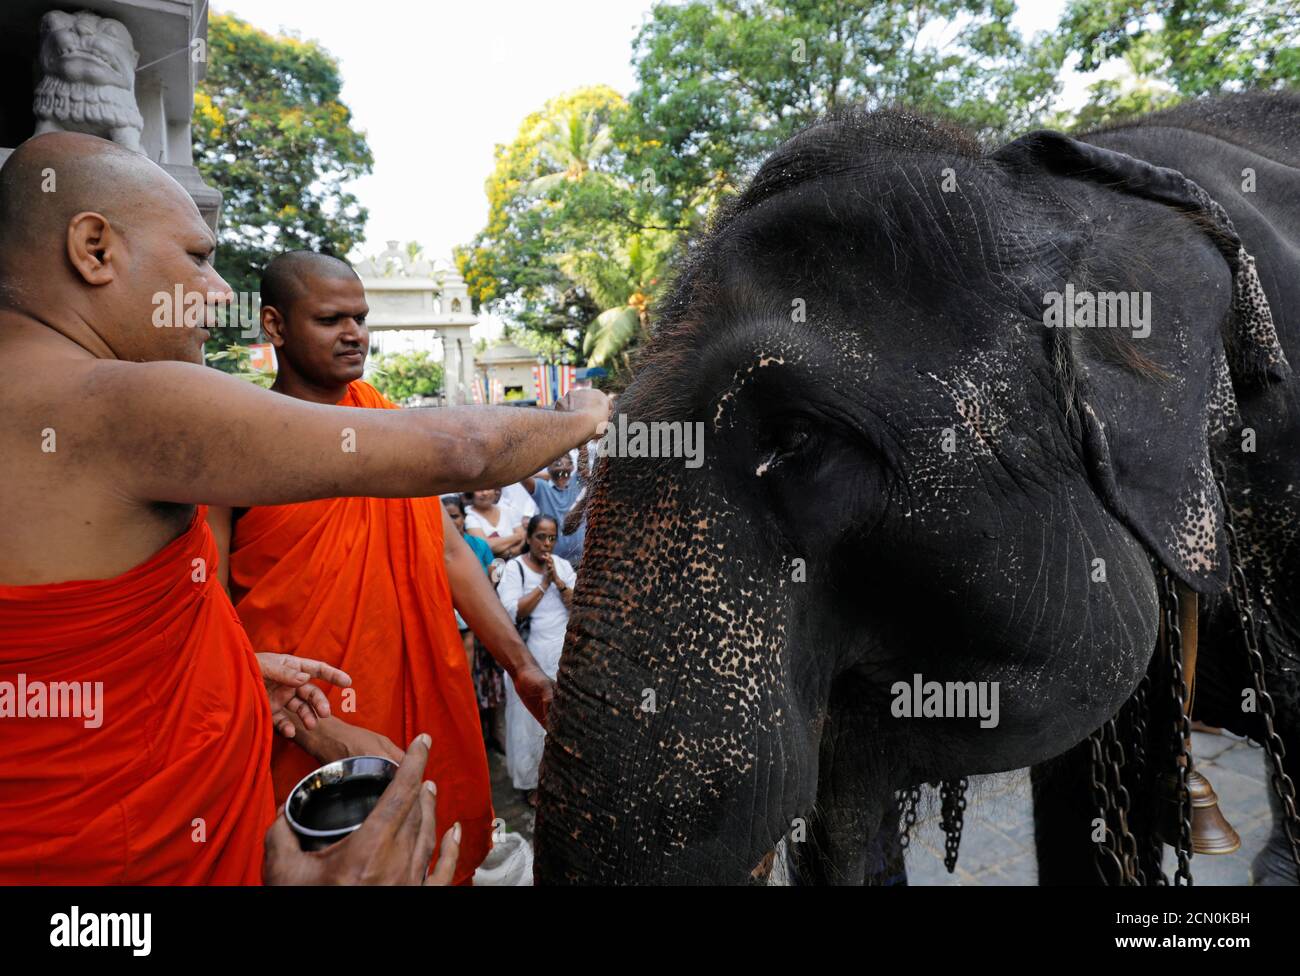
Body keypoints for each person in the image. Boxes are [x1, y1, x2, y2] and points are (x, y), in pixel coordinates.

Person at [0, 133, 609, 884]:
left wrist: (236, 670)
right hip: (122, 857)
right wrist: (583, 413)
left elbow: (155, 628)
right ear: (93, 248)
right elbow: (463, 449)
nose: (220, 291)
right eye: (196, 259)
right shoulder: (111, 400)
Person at [206, 251, 572, 884]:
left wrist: (523, 668)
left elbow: (449, 552)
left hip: (415, 698)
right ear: (273, 324)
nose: (355, 334)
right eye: (330, 319)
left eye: (361, 317)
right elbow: (203, 606)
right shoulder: (237, 445)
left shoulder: (383, 420)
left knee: (441, 845)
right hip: (299, 721)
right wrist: (309, 725)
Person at [496, 514, 575, 806]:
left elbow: (576, 605)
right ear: (528, 538)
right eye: (541, 536)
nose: (547, 543)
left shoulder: (563, 566)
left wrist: (558, 581)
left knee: (558, 719)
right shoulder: (514, 569)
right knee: (528, 723)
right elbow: (512, 613)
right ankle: (531, 784)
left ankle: (558, 778)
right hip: (529, 659)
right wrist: (543, 584)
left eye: (552, 537)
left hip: (561, 656)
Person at [523, 451, 586, 568]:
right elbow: (522, 475)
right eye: (554, 459)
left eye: (566, 458)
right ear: (547, 467)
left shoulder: (578, 481)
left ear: (572, 466)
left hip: (581, 560)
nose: (560, 459)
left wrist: (582, 443)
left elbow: (584, 463)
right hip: (554, 562)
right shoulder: (541, 487)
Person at [464, 488, 526, 558]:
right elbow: (484, 546)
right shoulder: (467, 515)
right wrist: (516, 537)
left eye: (489, 488)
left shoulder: (507, 510)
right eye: (479, 489)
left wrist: (510, 552)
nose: (485, 493)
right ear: (470, 493)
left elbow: (524, 538)